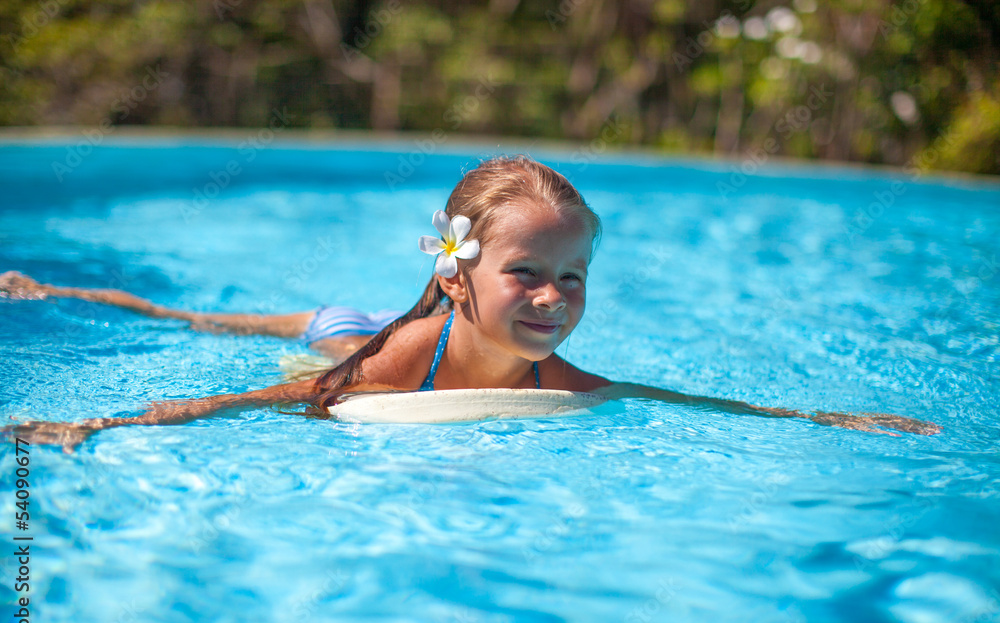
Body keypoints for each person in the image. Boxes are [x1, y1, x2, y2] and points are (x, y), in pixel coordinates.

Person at [2, 156, 939, 452]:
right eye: (526, 273)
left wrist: (821, 413)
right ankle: (55, 285)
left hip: (402, 326)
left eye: (571, 278)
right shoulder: (407, 354)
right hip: (351, 336)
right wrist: (98, 421)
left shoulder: (555, 371)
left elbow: (655, 396)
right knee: (200, 323)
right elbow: (263, 401)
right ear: (458, 275)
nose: (552, 297)